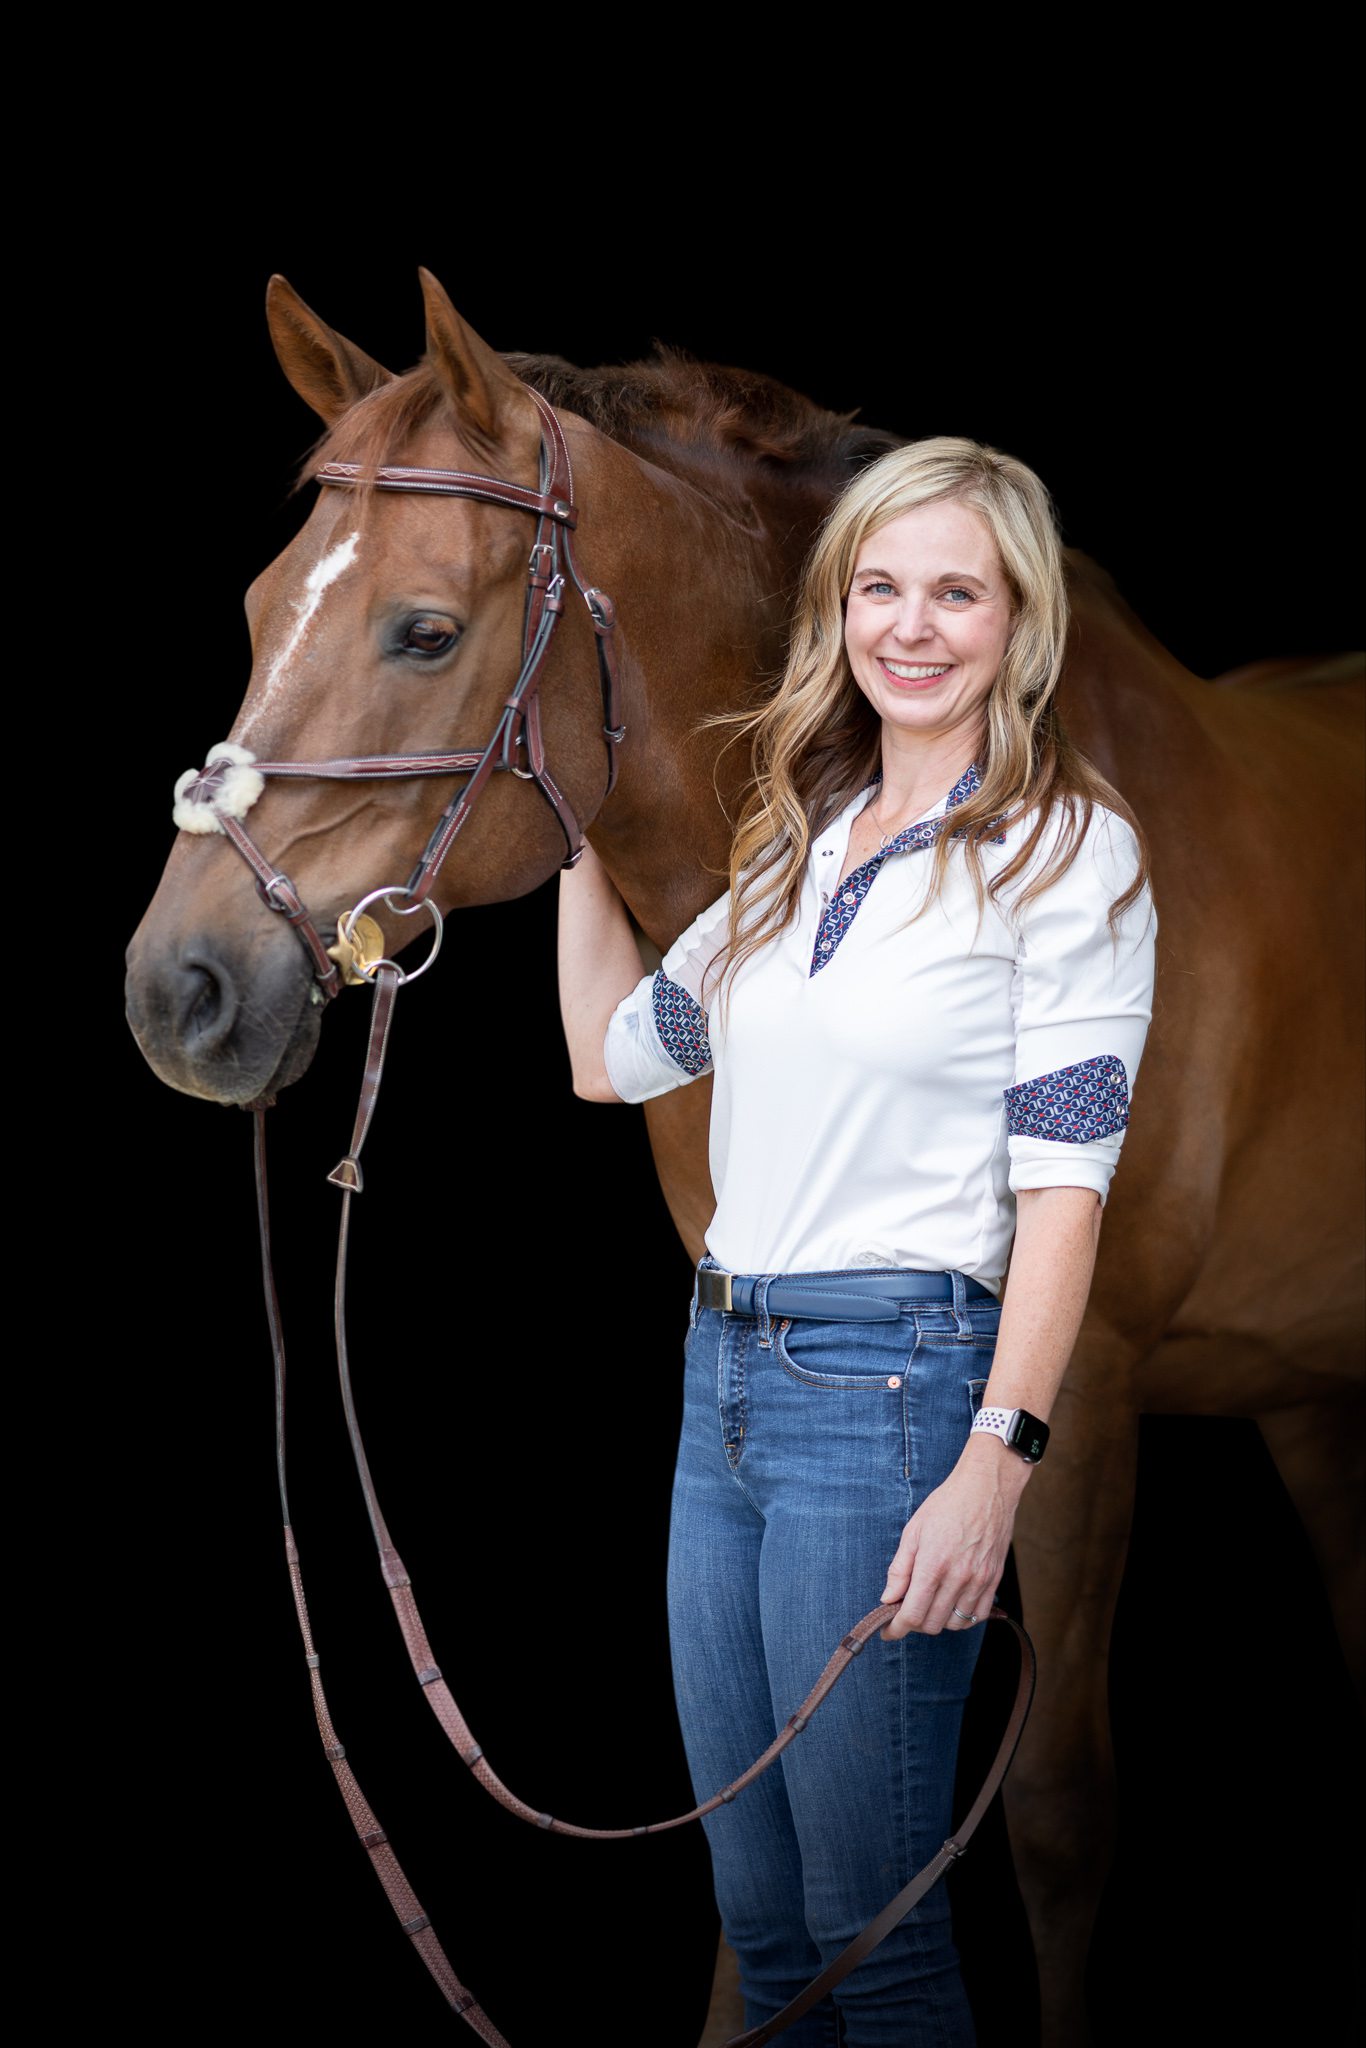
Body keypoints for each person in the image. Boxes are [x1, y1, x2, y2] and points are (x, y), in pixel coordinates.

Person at [556, 437, 1156, 2046]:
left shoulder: (1067, 858)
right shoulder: (794, 849)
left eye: (954, 591)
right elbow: (606, 1059)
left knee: (868, 1941)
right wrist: (573, 826)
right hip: (724, 1386)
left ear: (1016, 621)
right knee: (759, 1924)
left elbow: (1064, 1192)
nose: (911, 625)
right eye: (879, 587)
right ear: (837, 611)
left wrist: (997, 1462)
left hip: (891, 1395)